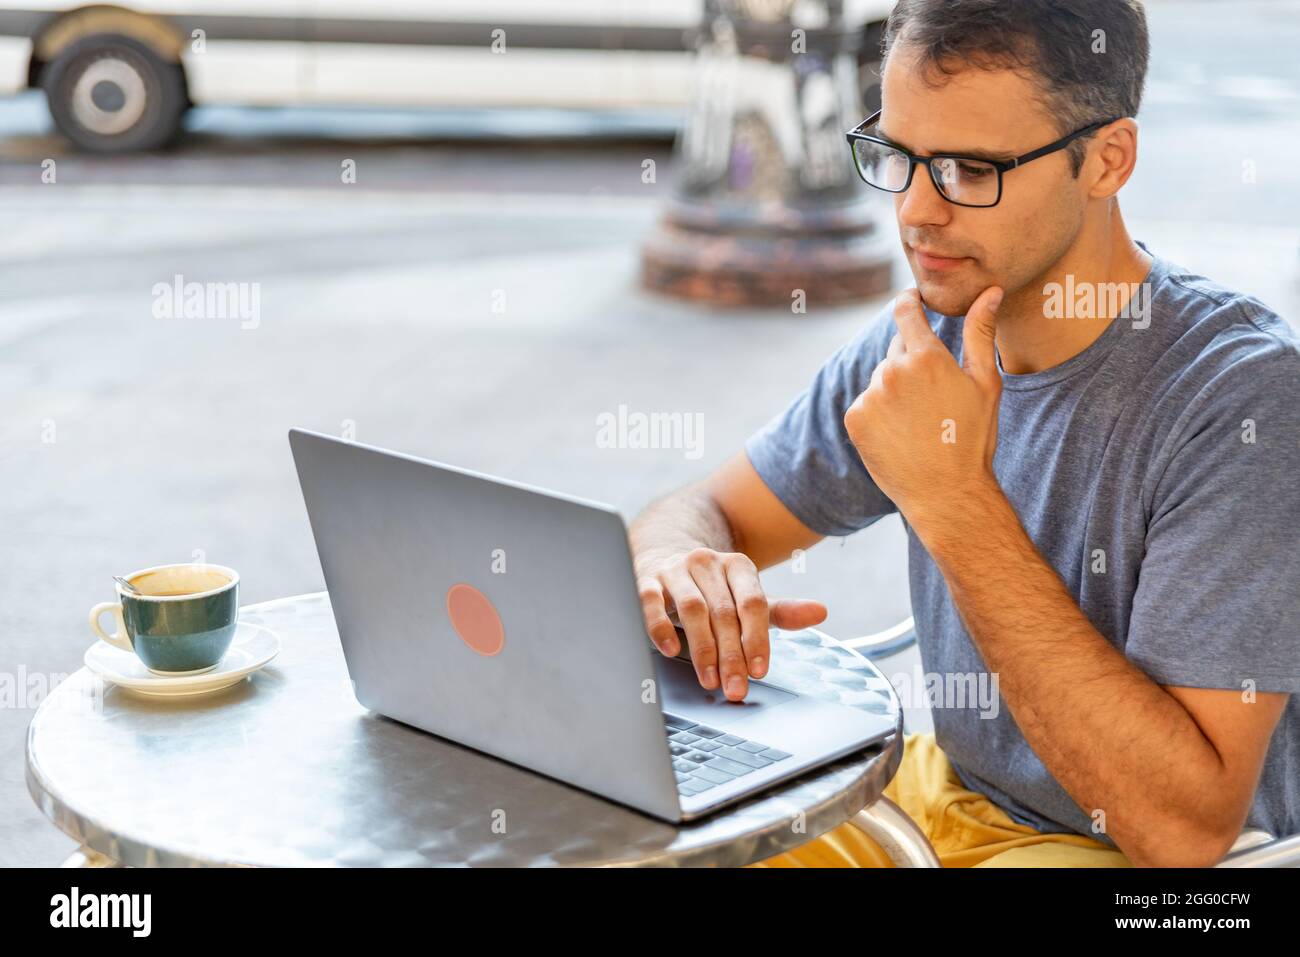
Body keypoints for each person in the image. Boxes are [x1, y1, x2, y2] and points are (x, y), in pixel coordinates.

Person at [628, 0, 1300, 868]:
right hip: (937, 797)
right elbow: (701, 510)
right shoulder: (928, 334)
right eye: (900, 157)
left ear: (1106, 161)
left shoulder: (1241, 400)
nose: (916, 212)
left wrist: (952, 497)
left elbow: (1185, 830)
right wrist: (676, 567)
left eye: (968, 170)